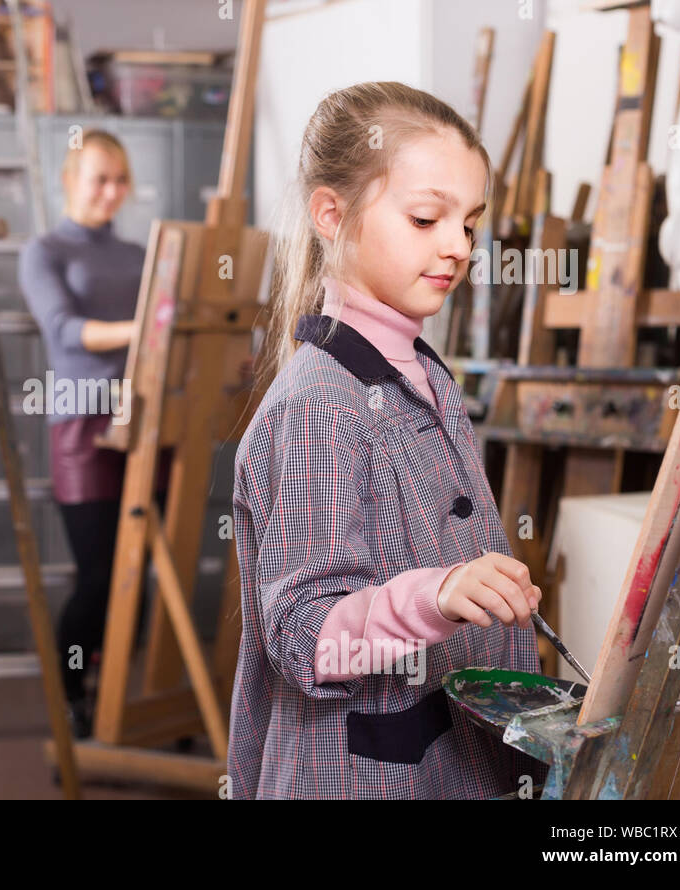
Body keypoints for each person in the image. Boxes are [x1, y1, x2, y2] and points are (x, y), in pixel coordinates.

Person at [228, 82, 548, 799]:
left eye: (470, 222)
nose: (458, 246)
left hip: (447, 755)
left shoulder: (422, 370)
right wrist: (438, 594)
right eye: (427, 217)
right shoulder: (319, 407)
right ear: (332, 215)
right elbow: (305, 636)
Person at [18, 130, 157, 736]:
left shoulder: (137, 255)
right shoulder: (44, 250)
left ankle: (124, 693)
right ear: (68, 178)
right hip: (80, 420)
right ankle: (69, 690)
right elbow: (64, 330)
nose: (111, 191)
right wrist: (149, 325)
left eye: (120, 180)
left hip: (143, 419)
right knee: (99, 574)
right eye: (100, 178)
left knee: (144, 570)